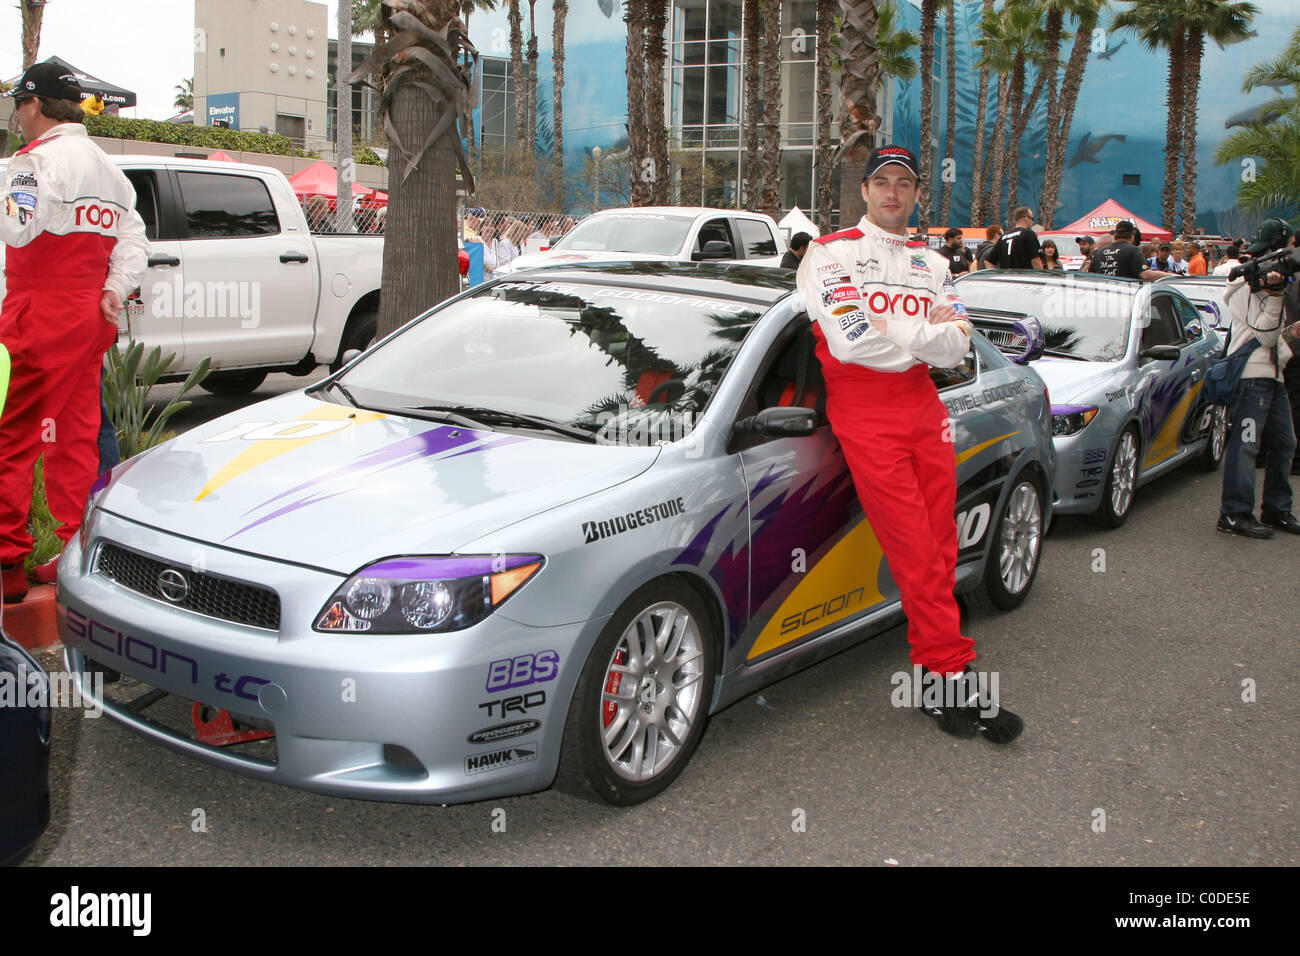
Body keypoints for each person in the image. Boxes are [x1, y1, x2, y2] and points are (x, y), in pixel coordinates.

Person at [795, 144, 1023, 743]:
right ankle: (952, 675)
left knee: (943, 543)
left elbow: (958, 349)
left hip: (925, 407)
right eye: (882, 182)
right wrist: (924, 336)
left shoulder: (935, 263)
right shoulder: (829, 252)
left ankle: (931, 670)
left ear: (918, 194)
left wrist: (896, 330)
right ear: (864, 191)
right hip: (864, 411)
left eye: (904, 184)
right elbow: (849, 345)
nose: (892, 193)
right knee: (917, 551)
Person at [0, 61, 149, 603]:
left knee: (12, 437)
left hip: (39, 308)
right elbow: (135, 243)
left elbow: (18, 227)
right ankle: (73, 549)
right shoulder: (109, 170)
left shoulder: (33, 162)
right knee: (75, 438)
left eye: (17, 105)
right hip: (90, 314)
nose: (16, 117)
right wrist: (113, 288)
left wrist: (10, 182)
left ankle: (7, 563)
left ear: (33, 105)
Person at [1217, 217, 1300, 538]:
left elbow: (1273, 334)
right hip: (1251, 376)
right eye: (1290, 245)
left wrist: (1290, 332)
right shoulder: (1243, 283)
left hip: (1271, 373)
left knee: (1284, 442)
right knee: (1246, 444)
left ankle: (1276, 509)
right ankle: (1234, 513)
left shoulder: (1265, 278)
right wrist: (1276, 295)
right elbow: (1263, 334)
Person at [1087, 220, 1170, 280]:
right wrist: (1171, 276)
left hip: (1103, 298)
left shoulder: (1099, 252)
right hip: (1127, 298)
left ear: (1115, 235)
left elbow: (1089, 276)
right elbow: (1146, 275)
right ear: (1132, 235)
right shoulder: (1133, 250)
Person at [985, 206, 1043, 270]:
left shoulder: (1003, 237)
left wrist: (996, 276)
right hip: (1023, 277)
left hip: (1007, 278)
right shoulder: (1028, 233)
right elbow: (1035, 260)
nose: (1032, 222)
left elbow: (988, 262)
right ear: (1026, 218)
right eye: (1032, 219)